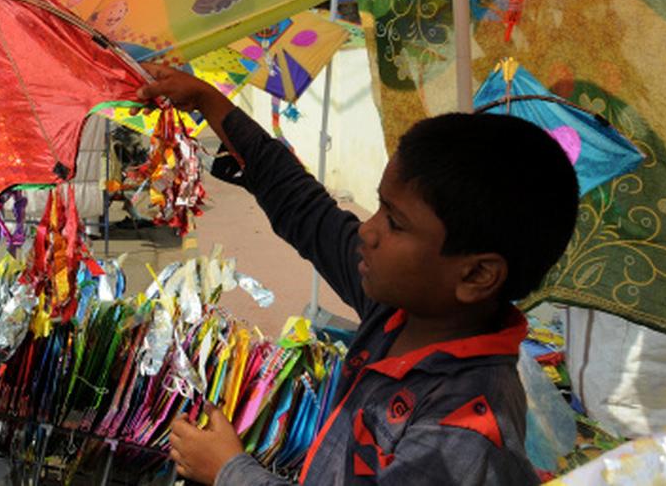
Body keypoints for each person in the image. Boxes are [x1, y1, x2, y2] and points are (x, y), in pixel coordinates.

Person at [138, 64, 579, 485]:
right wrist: (208, 102)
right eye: (380, 206)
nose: (367, 230)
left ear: (477, 275)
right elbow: (305, 208)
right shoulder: (399, 312)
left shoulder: (462, 429)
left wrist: (230, 470)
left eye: (395, 222)